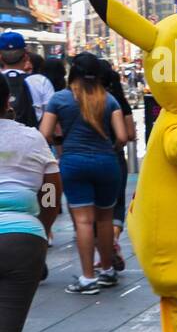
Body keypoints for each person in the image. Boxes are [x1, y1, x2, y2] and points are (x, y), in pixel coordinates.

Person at [0, 75, 61, 332]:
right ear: (8, 100)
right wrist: (43, 228)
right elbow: (52, 192)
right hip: (23, 238)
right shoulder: (30, 138)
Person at [38, 53, 127, 294]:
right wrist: (111, 150)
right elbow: (121, 136)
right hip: (107, 163)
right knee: (105, 218)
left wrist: (60, 144)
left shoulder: (60, 99)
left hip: (74, 163)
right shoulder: (109, 100)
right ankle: (107, 271)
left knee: (84, 221)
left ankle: (88, 278)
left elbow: (44, 133)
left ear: (73, 72)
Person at [99, 61, 134, 273]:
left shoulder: (81, 100)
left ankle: (100, 253)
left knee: (93, 211)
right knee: (117, 205)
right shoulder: (119, 101)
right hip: (114, 158)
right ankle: (112, 239)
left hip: (85, 159)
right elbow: (128, 135)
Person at [0, 32, 51, 127]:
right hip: (33, 139)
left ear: (0, 57)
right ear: (26, 56)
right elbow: (50, 117)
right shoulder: (41, 81)